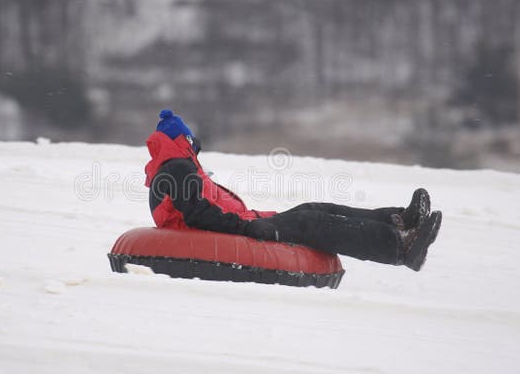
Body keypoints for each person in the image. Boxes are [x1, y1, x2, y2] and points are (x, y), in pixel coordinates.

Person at [144, 109, 442, 271]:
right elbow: (197, 215)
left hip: (243, 222)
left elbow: (198, 209)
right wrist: (245, 227)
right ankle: (400, 248)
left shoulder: (173, 167)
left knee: (314, 210)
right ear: (184, 139)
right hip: (237, 229)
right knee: (309, 221)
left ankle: (400, 221)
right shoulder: (176, 168)